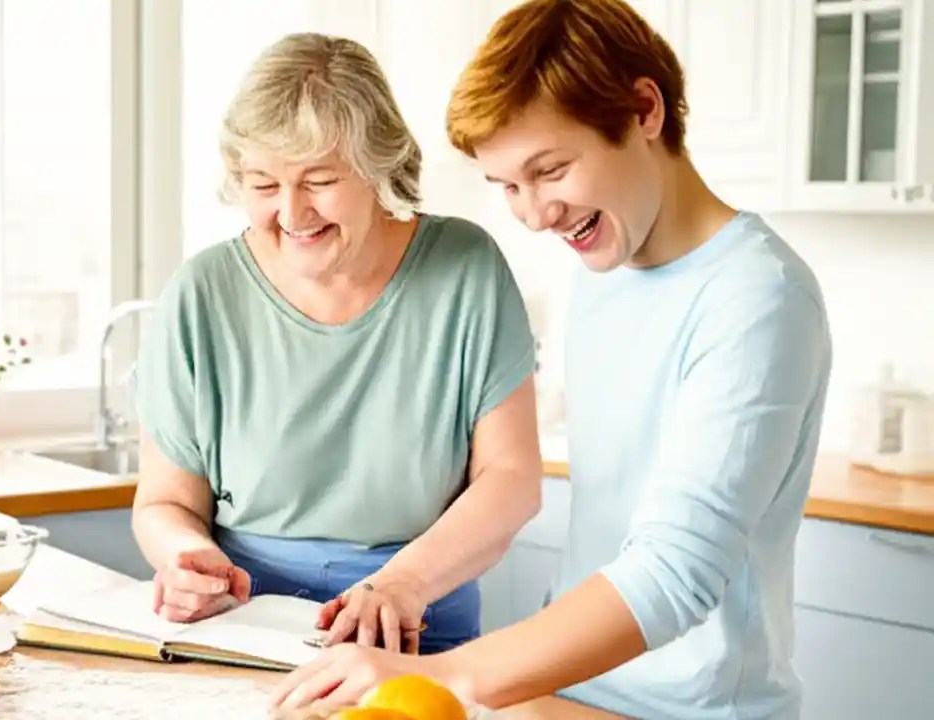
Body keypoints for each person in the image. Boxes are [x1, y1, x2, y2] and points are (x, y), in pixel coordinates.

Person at [272, 1, 833, 718]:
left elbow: (675, 574)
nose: (534, 215)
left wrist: (454, 673)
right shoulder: (608, 269)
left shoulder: (757, 296)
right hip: (571, 700)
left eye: (551, 170)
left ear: (643, 110)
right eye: (508, 186)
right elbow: (605, 540)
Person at [130, 32, 543, 656]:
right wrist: (189, 560)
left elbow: (510, 477)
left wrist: (402, 583)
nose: (292, 213)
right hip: (239, 629)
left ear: (378, 167)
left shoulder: (465, 269)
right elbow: (164, 501)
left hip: (420, 625)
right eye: (263, 184)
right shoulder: (200, 293)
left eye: (318, 180)